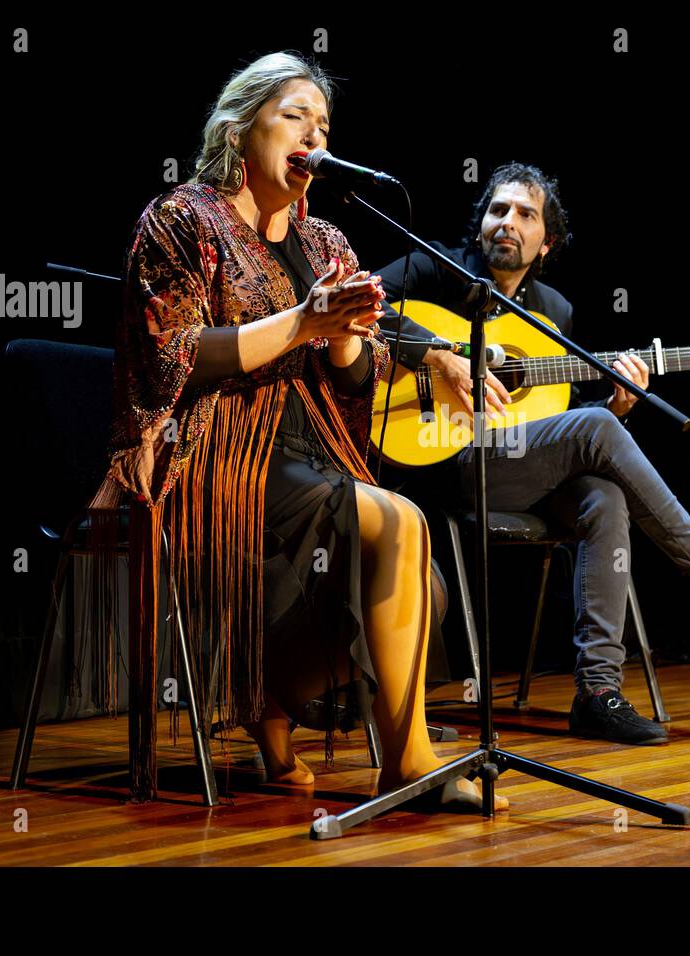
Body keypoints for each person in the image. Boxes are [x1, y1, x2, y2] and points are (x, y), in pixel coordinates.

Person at [88, 52, 503, 812]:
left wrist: (358, 340)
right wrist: (305, 321)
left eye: (325, 125)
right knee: (401, 522)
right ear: (240, 128)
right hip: (210, 451)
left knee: (425, 589)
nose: (314, 135)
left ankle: (265, 700)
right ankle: (407, 762)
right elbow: (178, 353)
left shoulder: (327, 241)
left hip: (306, 449)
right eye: (295, 117)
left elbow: (353, 374)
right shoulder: (182, 219)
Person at [375, 163, 690, 746]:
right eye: (498, 210)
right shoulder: (432, 268)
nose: (507, 223)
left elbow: (545, 423)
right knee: (591, 428)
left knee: (603, 495)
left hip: (511, 465)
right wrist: (439, 355)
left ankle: (597, 692)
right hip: (437, 460)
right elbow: (358, 304)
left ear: (548, 242)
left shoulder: (552, 314)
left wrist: (616, 407)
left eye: (525, 214)